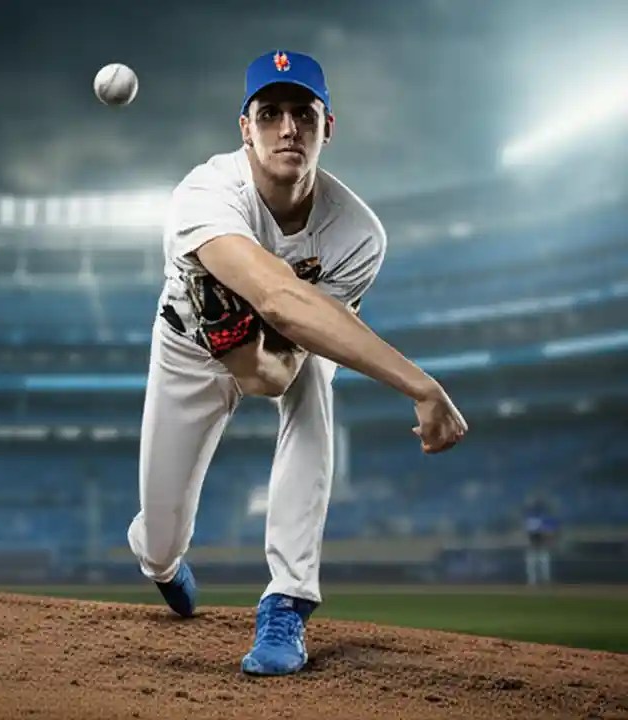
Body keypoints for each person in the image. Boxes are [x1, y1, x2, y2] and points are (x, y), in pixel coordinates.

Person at [128, 50, 468, 676]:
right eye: (271, 113)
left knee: (314, 379)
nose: (288, 128)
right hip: (188, 347)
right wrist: (421, 386)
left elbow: (277, 369)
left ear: (327, 126)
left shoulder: (357, 235)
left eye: (304, 114)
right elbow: (281, 299)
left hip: (280, 348)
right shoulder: (205, 192)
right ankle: (162, 561)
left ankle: (288, 598)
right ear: (245, 127)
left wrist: (256, 351)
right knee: (159, 537)